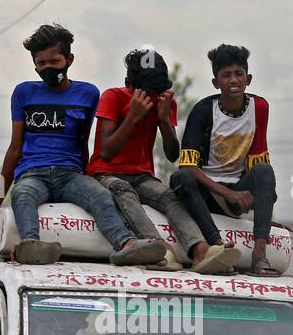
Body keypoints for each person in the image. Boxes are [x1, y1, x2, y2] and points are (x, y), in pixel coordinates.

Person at [0, 23, 165, 267]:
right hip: (33, 173)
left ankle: (127, 245)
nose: (48, 69)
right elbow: (14, 149)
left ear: (69, 59)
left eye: (54, 62)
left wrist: (88, 178)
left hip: (70, 175)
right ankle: (31, 245)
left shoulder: (88, 94)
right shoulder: (23, 93)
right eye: (41, 64)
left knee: (102, 197)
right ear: (35, 65)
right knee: (22, 194)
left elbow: (85, 143)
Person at [89, 48, 240, 275]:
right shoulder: (113, 97)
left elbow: (172, 154)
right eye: (147, 92)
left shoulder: (163, 102)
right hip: (106, 173)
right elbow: (106, 153)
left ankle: (200, 250)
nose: (152, 97)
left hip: (142, 175)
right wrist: (132, 117)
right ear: (129, 84)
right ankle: (159, 249)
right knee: (124, 192)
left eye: (157, 91)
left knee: (170, 197)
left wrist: (163, 119)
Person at [170, 43, 279, 276]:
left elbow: (257, 157)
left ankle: (260, 254)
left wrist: (262, 198)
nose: (234, 80)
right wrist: (226, 192)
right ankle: (217, 245)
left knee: (265, 171)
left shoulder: (259, 107)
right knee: (181, 177)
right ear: (216, 83)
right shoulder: (203, 110)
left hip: (238, 194)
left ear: (248, 79)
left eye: (239, 74)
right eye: (226, 75)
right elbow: (188, 165)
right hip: (206, 194)